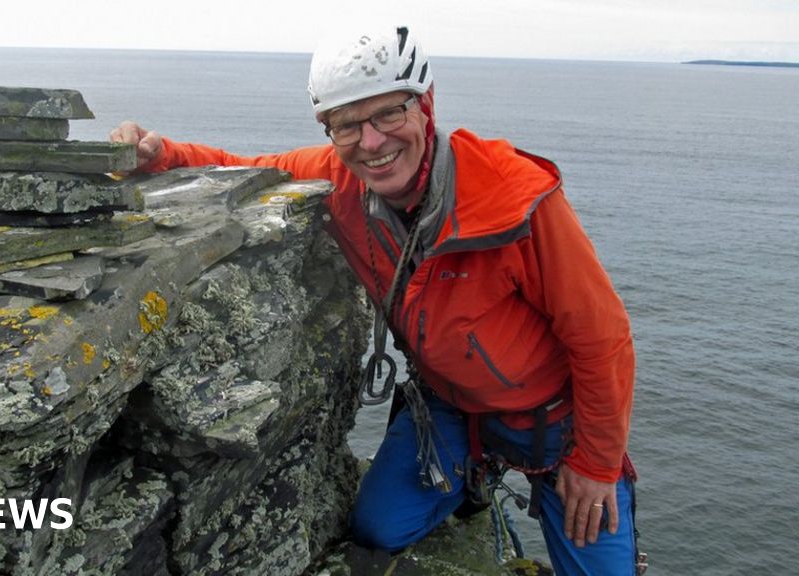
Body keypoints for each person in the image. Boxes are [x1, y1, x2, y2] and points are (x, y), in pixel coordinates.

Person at [111, 26, 641, 575]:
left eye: (390, 113)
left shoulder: (515, 198)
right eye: (347, 125)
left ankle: (512, 481)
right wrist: (161, 154)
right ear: (330, 131)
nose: (371, 142)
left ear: (426, 106)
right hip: (453, 410)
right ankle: (470, 479)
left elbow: (602, 337)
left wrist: (597, 465)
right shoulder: (338, 180)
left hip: (555, 424)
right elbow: (243, 169)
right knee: (378, 527)